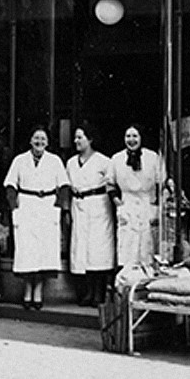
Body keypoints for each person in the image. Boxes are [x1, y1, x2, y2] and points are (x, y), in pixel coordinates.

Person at [2, 126, 68, 310]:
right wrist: (14, 207)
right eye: (36, 138)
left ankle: (38, 290)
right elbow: (10, 185)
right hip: (27, 206)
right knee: (27, 250)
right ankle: (27, 290)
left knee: (44, 251)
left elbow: (64, 186)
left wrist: (57, 206)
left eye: (43, 139)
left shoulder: (54, 161)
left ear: (48, 142)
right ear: (30, 141)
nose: (39, 142)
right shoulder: (20, 160)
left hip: (47, 206)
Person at [67, 123, 116, 306]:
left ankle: (98, 293)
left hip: (98, 206)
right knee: (82, 249)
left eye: (80, 137)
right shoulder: (71, 163)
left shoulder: (104, 161)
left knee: (98, 250)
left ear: (90, 139)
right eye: (75, 137)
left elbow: (112, 184)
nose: (76, 141)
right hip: (79, 204)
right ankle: (86, 292)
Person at [108, 123, 165, 270]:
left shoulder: (152, 157)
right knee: (127, 251)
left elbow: (161, 182)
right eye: (128, 136)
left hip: (148, 205)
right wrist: (118, 202)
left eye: (135, 136)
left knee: (148, 251)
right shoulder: (117, 159)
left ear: (141, 138)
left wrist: (156, 204)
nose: (131, 140)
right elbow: (110, 184)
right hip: (127, 206)